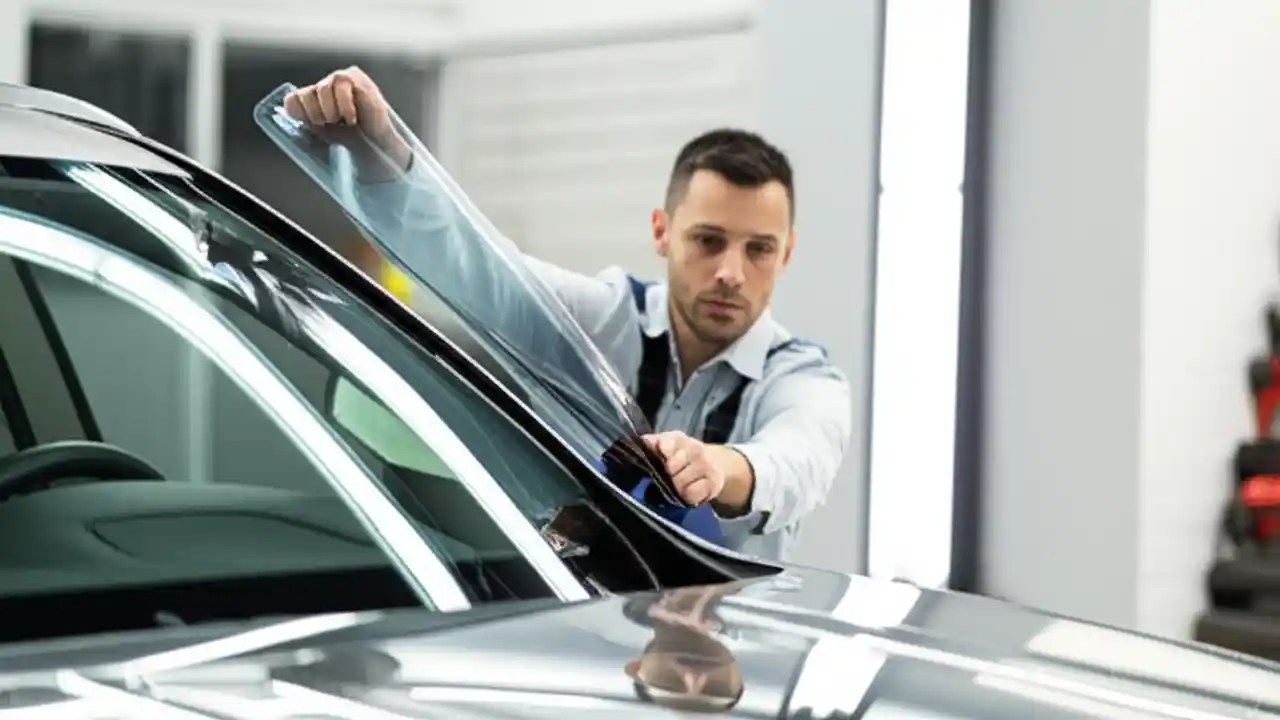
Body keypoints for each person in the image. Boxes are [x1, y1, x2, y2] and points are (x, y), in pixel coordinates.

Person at [284, 67, 852, 562]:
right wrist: (381, 149)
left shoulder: (803, 378)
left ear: (787, 253)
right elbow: (478, 269)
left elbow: (798, 461)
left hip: (726, 650)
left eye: (759, 249)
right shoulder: (603, 315)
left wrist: (719, 468)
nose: (732, 271)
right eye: (709, 240)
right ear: (662, 231)